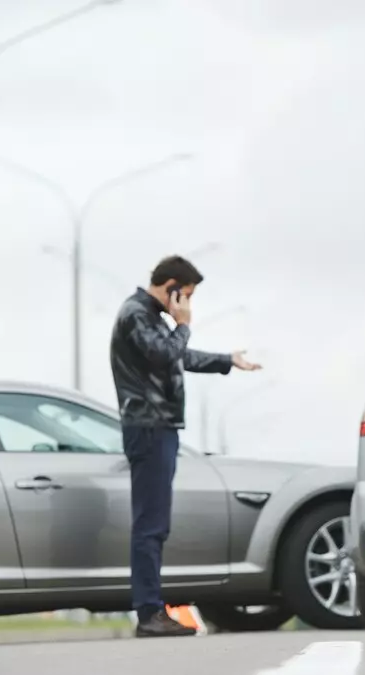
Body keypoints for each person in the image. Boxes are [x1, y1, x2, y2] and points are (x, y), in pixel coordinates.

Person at [109, 254, 262, 637]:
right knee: (150, 525)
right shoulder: (136, 314)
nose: (189, 304)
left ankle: (151, 609)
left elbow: (178, 357)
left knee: (155, 524)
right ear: (172, 288)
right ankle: (148, 613)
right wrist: (183, 324)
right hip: (148, 427)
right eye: (187, 295)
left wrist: (227, 360)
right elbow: (165, 353)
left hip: (158, 426)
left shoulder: (149, 318)